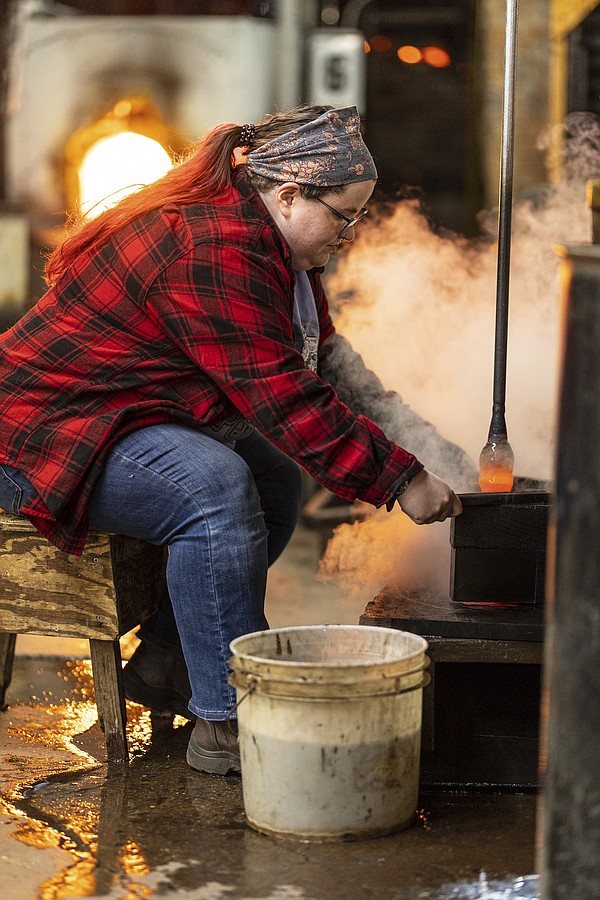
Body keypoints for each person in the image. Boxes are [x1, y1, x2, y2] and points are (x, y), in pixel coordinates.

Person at [0, 104, 471, 776]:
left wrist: (431, 451)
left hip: (120, 410)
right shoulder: (213, 248)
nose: (349, 235)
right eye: (344, 216)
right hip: (41, 433)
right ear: (290, 194)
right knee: (212, 489)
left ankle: (169, 662)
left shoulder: (273, 245)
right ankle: (225, 723)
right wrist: (400, 480)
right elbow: (283, 394)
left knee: (272, 474)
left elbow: (329, 364)